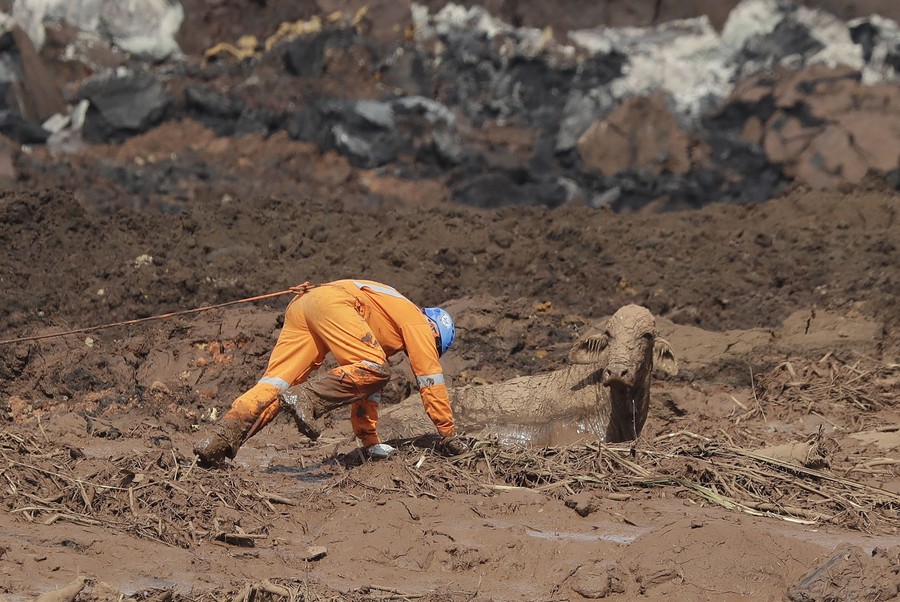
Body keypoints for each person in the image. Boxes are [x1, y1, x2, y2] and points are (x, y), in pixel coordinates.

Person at [193, 279, 468, 465]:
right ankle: (306, 399)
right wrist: (448, 434)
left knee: (276, 384)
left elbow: (367, 386)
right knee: (375, 368)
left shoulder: (389, 321)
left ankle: (218, 441)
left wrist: (370, 442)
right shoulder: (419, 323)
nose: (418, 351)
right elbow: (431, 381)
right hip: (334, 303)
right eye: (433, 346)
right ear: (434, 330)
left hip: (306, 303)